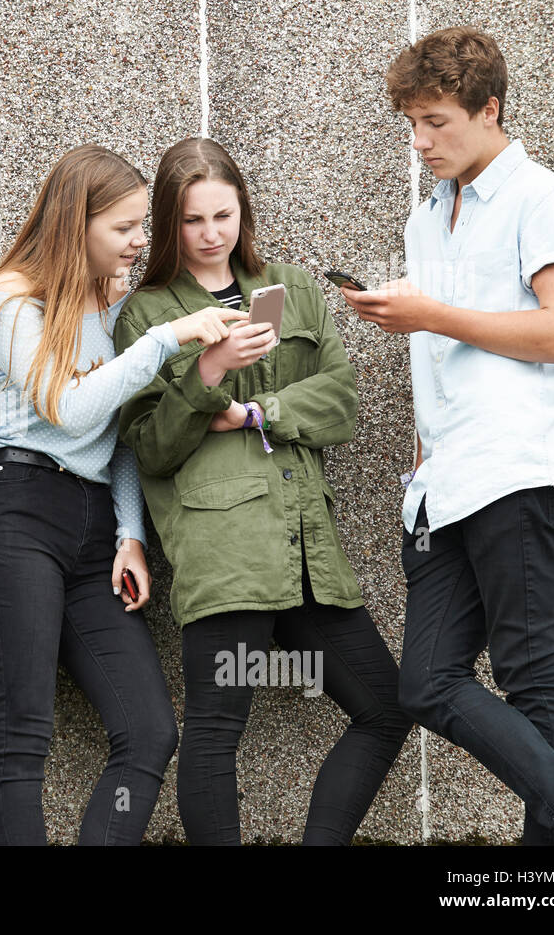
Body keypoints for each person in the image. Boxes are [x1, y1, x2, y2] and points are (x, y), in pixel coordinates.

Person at [344, 26, 554, 845]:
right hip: (442, 483)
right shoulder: (425, 222)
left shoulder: (543, 197)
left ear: (488, 108)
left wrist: (429, 312)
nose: (421, 141)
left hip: (516, 464)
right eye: (412, 125)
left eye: (436, 121)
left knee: (532, 675)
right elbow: (445, 355)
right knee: (426, 683)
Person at [114, 137, 411, 845]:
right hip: (226, 548)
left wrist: (255, 412)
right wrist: (209, 369)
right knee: (216, 730)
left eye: (225, 215)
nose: (213, 234)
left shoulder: (294, 288)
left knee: (387, 707)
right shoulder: (148, 314)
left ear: (245, 209)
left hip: (307, 543)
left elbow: (340, 401)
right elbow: (150, 444)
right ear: (168, 224)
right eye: (193, 222)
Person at [0, 143, 247, 845]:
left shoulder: (108, 309)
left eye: (142, 224)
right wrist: (166, 338)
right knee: (22, 735)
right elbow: (72, 409)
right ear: (75, 223)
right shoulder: (11, 299)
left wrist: (130, 534)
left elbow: (114, 436)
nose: (141, 241)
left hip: (91, 534)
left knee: (148, 730)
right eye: (124, 227)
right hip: (14, 511)